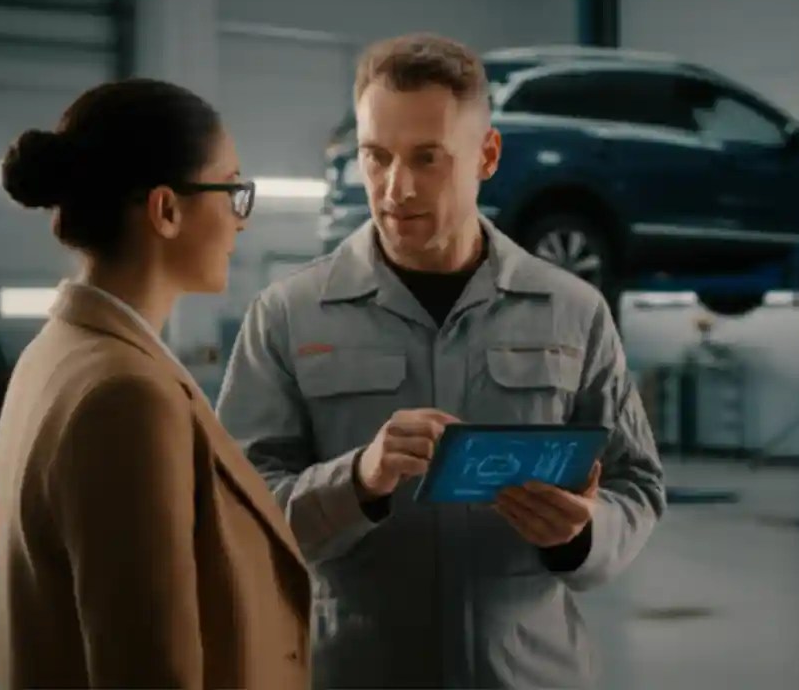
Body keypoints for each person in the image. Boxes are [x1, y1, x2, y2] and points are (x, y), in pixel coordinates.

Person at [217, 33, 666, 689]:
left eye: (428, 158)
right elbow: (240, 516)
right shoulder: (288, 315)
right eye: (376, 158)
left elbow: (637, 485)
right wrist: (356, 481)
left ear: (486, 155)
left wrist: (582, 533)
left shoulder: (573, 310)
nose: (397, 188)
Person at [0, 78, 313, 690]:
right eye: (232, 190)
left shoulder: (56, 354)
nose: (241, 222)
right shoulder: (126, 397)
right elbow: (147, 669)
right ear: (167, 210)